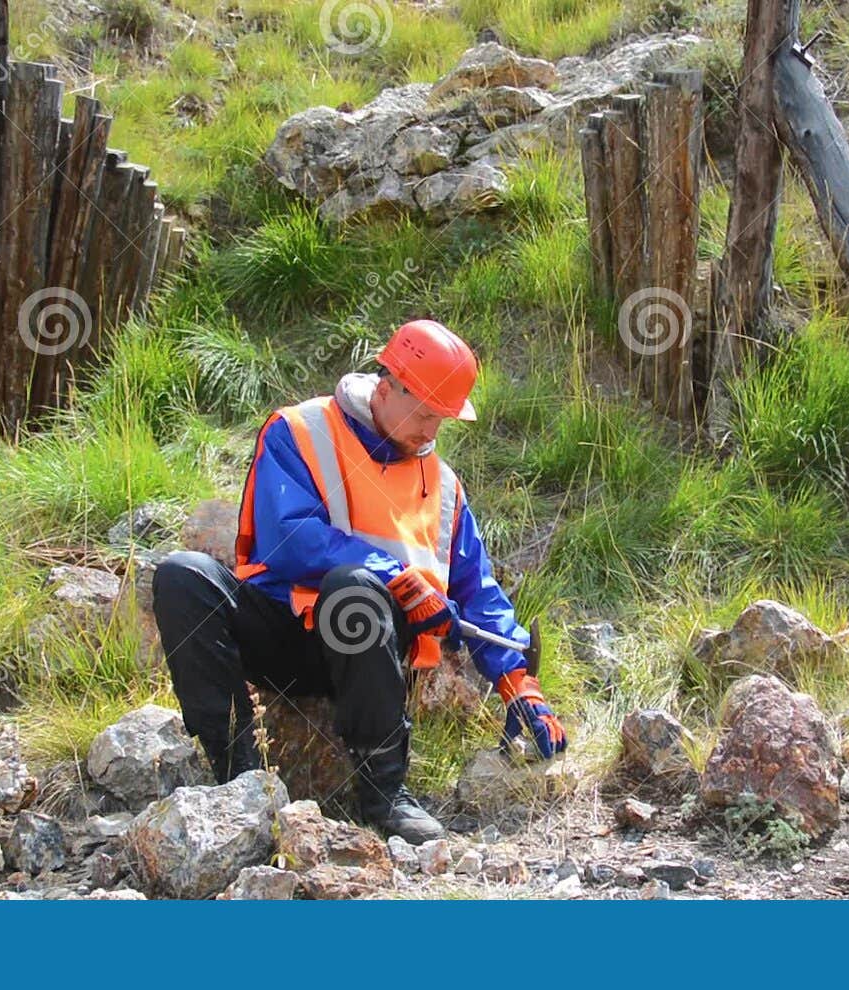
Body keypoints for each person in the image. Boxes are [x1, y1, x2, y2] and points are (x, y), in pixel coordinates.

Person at [151, 319, 566, 844]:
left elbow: (477, 592)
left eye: (443, 420)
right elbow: (292, 537)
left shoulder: (443, 487)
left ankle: (385, 794)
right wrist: (399, 578)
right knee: (182, 577)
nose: (432, 432)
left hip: (375, 656)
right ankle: (239, 777)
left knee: (355, 591)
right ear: (387, 388)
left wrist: (518, 685)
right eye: (425, 414)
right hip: (283, 631)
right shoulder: (299, 431)